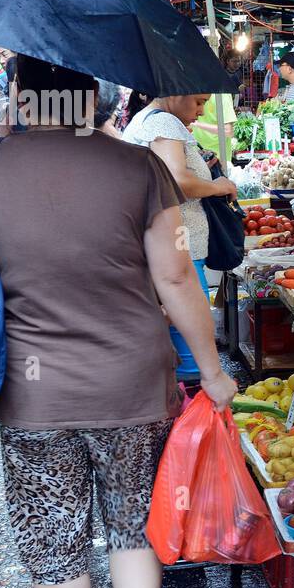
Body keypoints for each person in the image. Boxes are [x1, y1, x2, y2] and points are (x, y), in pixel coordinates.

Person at [0, 54, 236, 588]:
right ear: (91, 97)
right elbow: (177, 277)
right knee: (132, 524)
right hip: (130, 384)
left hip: (30, 392)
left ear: (22, 95)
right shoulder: (140, 167)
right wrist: (211, 370)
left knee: (53, 537)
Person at [123, 91, 231, 385]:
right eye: (198, 101)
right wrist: (218, 186)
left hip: (163, 247)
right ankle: (195, 418)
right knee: (190, 354)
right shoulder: (165, 123)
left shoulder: (144, 120)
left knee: (176, 345)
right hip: (179, 249)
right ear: (174, 94)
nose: (202, 109)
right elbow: (177, 181)